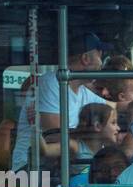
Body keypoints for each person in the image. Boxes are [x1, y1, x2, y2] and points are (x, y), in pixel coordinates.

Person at [11, 31, 114, 170]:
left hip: (63, 168)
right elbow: (55, 135)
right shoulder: (50, 84)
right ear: (85, 59)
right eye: (100, 56)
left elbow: (114, 109)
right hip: (31, 169)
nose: (101, 64)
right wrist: (93, 135)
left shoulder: (84, 92)